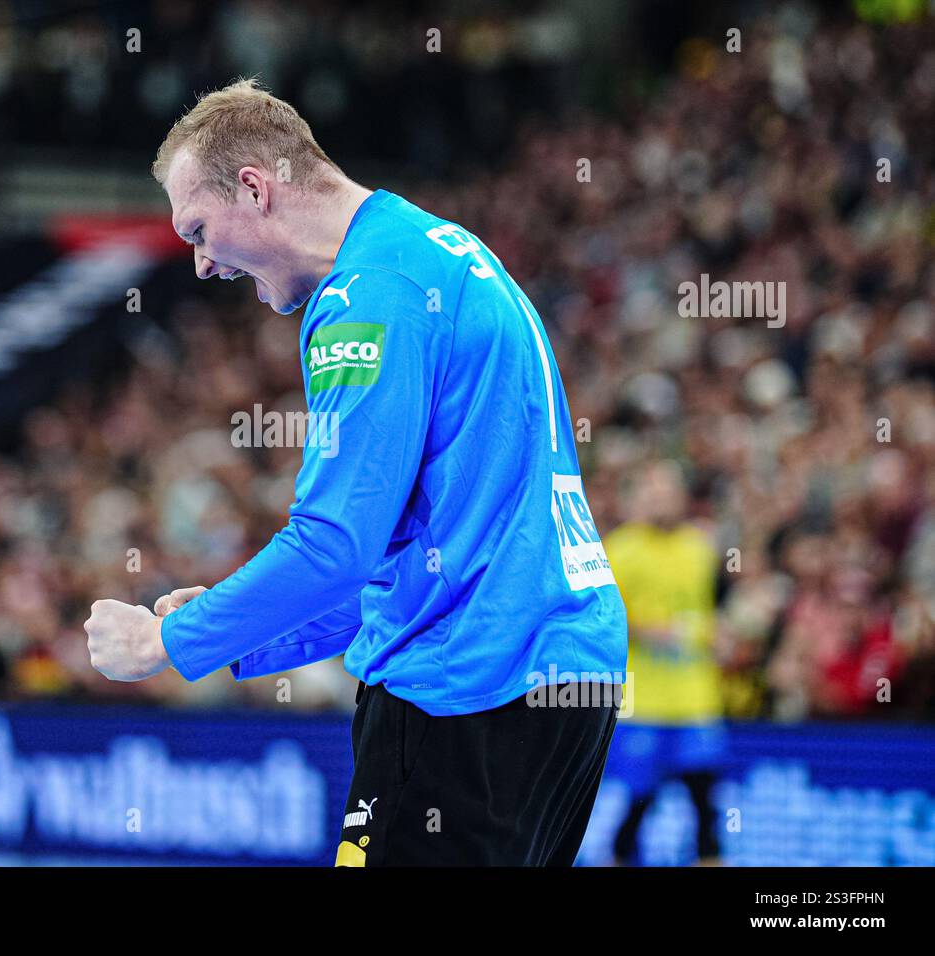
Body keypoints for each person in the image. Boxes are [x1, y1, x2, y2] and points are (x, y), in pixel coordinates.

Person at [83, 78, 627, 866]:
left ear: (255, 188)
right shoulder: (437, 252)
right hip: (557, 676)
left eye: (199, 229)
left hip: (465, 689)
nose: (200, 265)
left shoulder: (367, 298)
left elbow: (334, 549)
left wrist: (166, 642)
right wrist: (244, 641)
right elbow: (402, 558)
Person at [602, 461, 725, 865]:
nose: (660, 501)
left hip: (695, 698)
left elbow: (711, 611)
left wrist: (719, 635)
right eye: (652, 492)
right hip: (645, 700)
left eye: (667, 492)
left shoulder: (701, 547)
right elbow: (606, 616)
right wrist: (647, 630)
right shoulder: (621, 547)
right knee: (639, 802)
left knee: (705, 801)